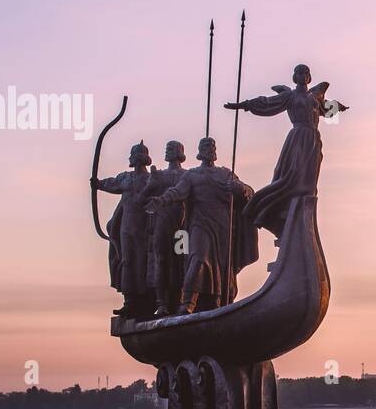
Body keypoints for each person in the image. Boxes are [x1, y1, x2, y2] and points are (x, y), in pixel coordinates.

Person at [225, 63, 345, 236]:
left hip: (313, 140)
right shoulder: (290, 96)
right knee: (292, 175)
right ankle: (270, 208)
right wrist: (243, 105)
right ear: (295, 77)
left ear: (309, 77)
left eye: (306, 73)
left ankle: (302, 213)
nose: (303, 76)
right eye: (300, 73)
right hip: (298, 138)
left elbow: (326, 108)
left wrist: (339, 107)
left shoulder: (315, 96)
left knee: (309, 182)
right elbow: (266, 103)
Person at [145, 137, 258, 313]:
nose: (209, 150)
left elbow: (249, 192)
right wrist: (161, 200)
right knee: (198, 258)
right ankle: (188, 301)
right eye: (205, 147)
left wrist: (240, 189)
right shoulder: (192, 175)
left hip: (222, 227)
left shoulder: (225, 174)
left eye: (212, 147)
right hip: (200, 224)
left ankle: (216, 302)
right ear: (200, 151)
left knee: (221, 266)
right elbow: (177, 192)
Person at [92, 141, 154, 318]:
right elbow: (111, 184)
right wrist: (98, 184)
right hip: (126, 226)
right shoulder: (125, 178)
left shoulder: (151, 179)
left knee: (142, 261)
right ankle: (129, 301)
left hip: (144, 227)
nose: (134, 158)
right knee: (127, 261)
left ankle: (144, 300)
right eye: (133, 155)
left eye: (137, 155)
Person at [146, 140, 187, 316]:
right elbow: (144, 198)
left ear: (179, 153)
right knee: (161, 260)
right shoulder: (159, 175)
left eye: (171, 148)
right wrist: (151, 183)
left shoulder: (187, 175)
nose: (167, 151)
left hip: (182, 225)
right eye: (167, 148)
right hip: (161, 223)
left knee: (182, 261)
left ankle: (180, 300)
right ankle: (161, 303)